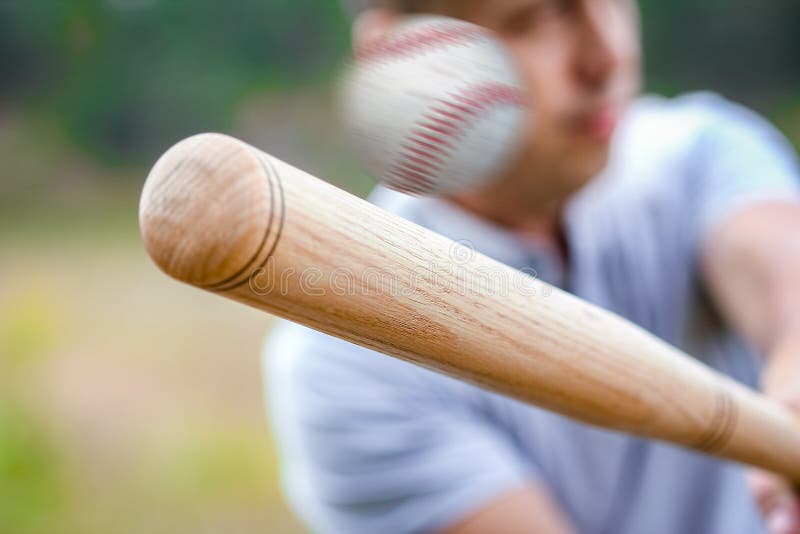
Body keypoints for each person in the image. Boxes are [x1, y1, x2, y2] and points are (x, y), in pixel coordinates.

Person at [264, 1, 800, 532]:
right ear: (397, 50)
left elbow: (783, 280)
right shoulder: (351, 361)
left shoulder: (701, 150)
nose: (607, 57)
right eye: (540, 16)